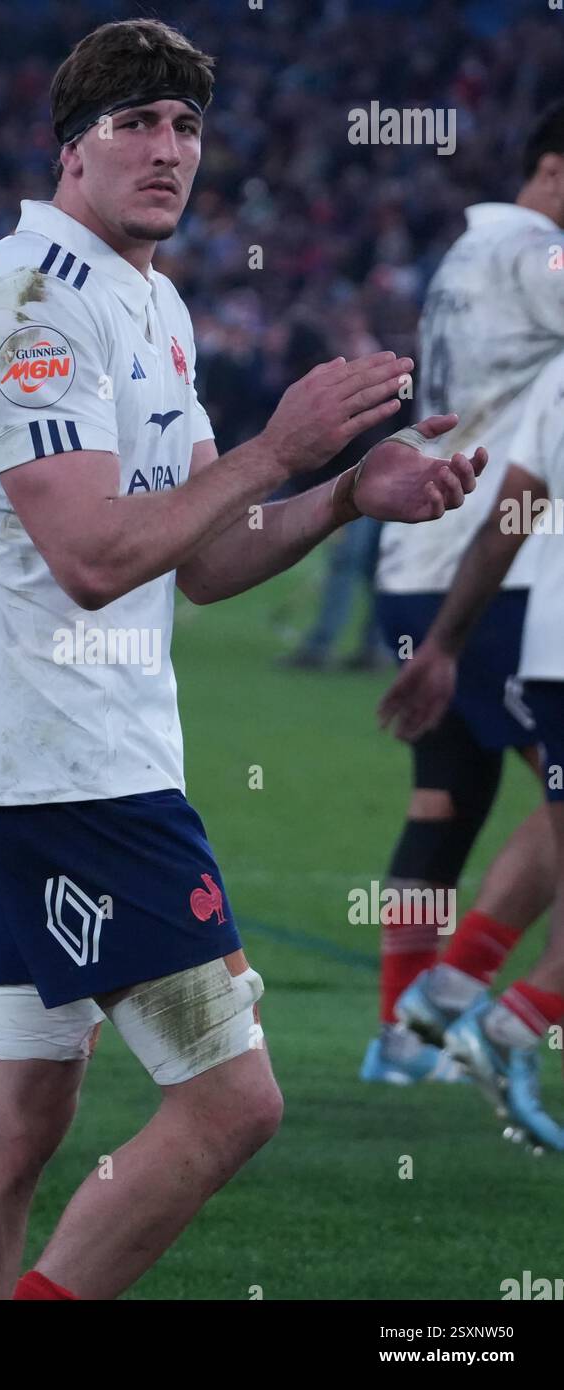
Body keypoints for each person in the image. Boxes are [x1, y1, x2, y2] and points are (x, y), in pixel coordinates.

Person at [0, 18, 486, 1300]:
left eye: (185, 125)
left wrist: (343, 493)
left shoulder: (149, 300)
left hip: (51, 764)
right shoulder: (32, 302)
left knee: (15, 1125)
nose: (170, 150)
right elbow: (93, 554)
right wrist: (282, 448)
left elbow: (205, 555)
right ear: (72, 152)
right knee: (235, 1103)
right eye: (137, 124)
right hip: (77, 778)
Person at [360, 102, 564, 1086]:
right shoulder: (536, 255)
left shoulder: (464, 259)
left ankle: (401, 1034)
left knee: (448, 798)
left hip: (417, 563)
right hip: (493, 571)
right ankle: (476, 1010)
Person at [379, 350, 564, 1151]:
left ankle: (446, 997)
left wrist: (445, 642)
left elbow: (512, 514)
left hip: (550, 650)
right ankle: (513, 1027)